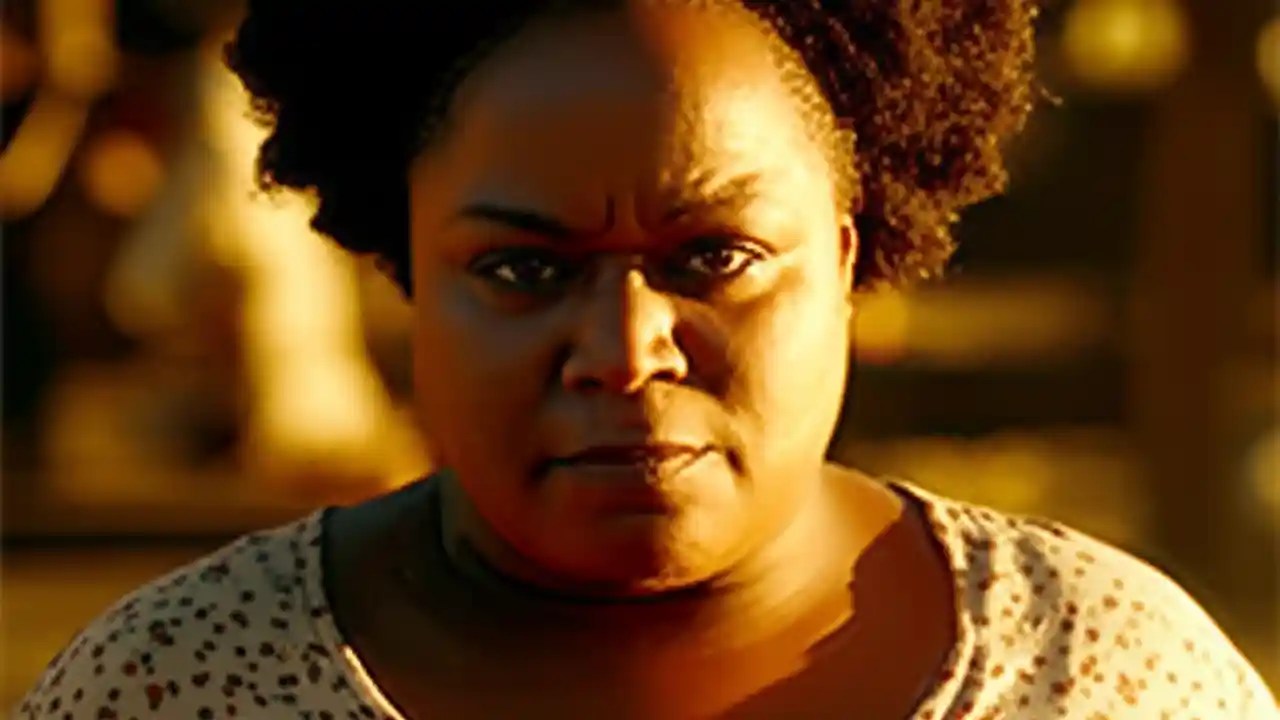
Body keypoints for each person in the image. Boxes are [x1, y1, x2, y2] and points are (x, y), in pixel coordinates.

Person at [15, 1, 1279, 717]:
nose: (623, 351)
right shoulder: (175, 686)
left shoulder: (1096, 673)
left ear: (846, 258)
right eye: (523, 271)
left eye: (711, 258)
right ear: (403, 270)